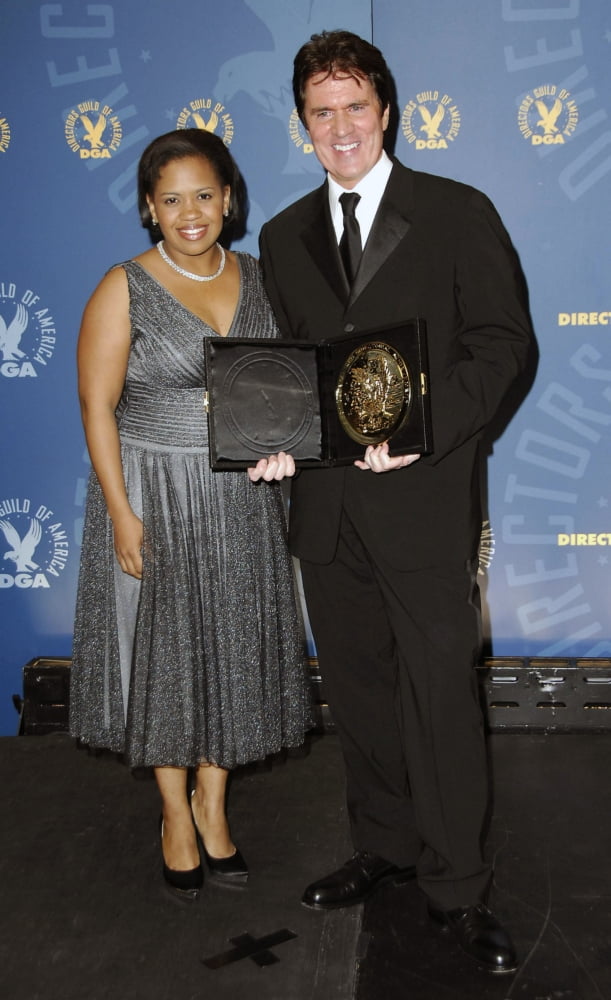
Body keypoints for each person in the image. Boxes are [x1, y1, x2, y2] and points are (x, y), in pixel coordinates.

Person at [259, 30, 536, 973]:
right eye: (320, 112)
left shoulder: (455, 212)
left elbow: (502, 345)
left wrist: (424, 428)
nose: (339, 127)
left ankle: (458, 885)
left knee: (440, 696)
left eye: (355, 106)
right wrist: (272, 438)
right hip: (326, 510)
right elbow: (294, 372)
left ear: (385, 111)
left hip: (422, 501)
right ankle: (384, 845)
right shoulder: (282, 234)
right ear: (302, 124)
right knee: (361, 694)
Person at [69, 128, 310, 904]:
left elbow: (285, 387)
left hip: (242, 497)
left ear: (228, 198)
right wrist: (120, 512)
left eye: (204, 194)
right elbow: (97, 407)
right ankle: (174, 814)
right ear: (149, 208)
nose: (190, 212)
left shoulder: (262, 278)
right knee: (166, 654)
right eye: (171, 199)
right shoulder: (123, 287)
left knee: (232, 648)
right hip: (153, 492)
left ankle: (214, 803)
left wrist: (285, 451)